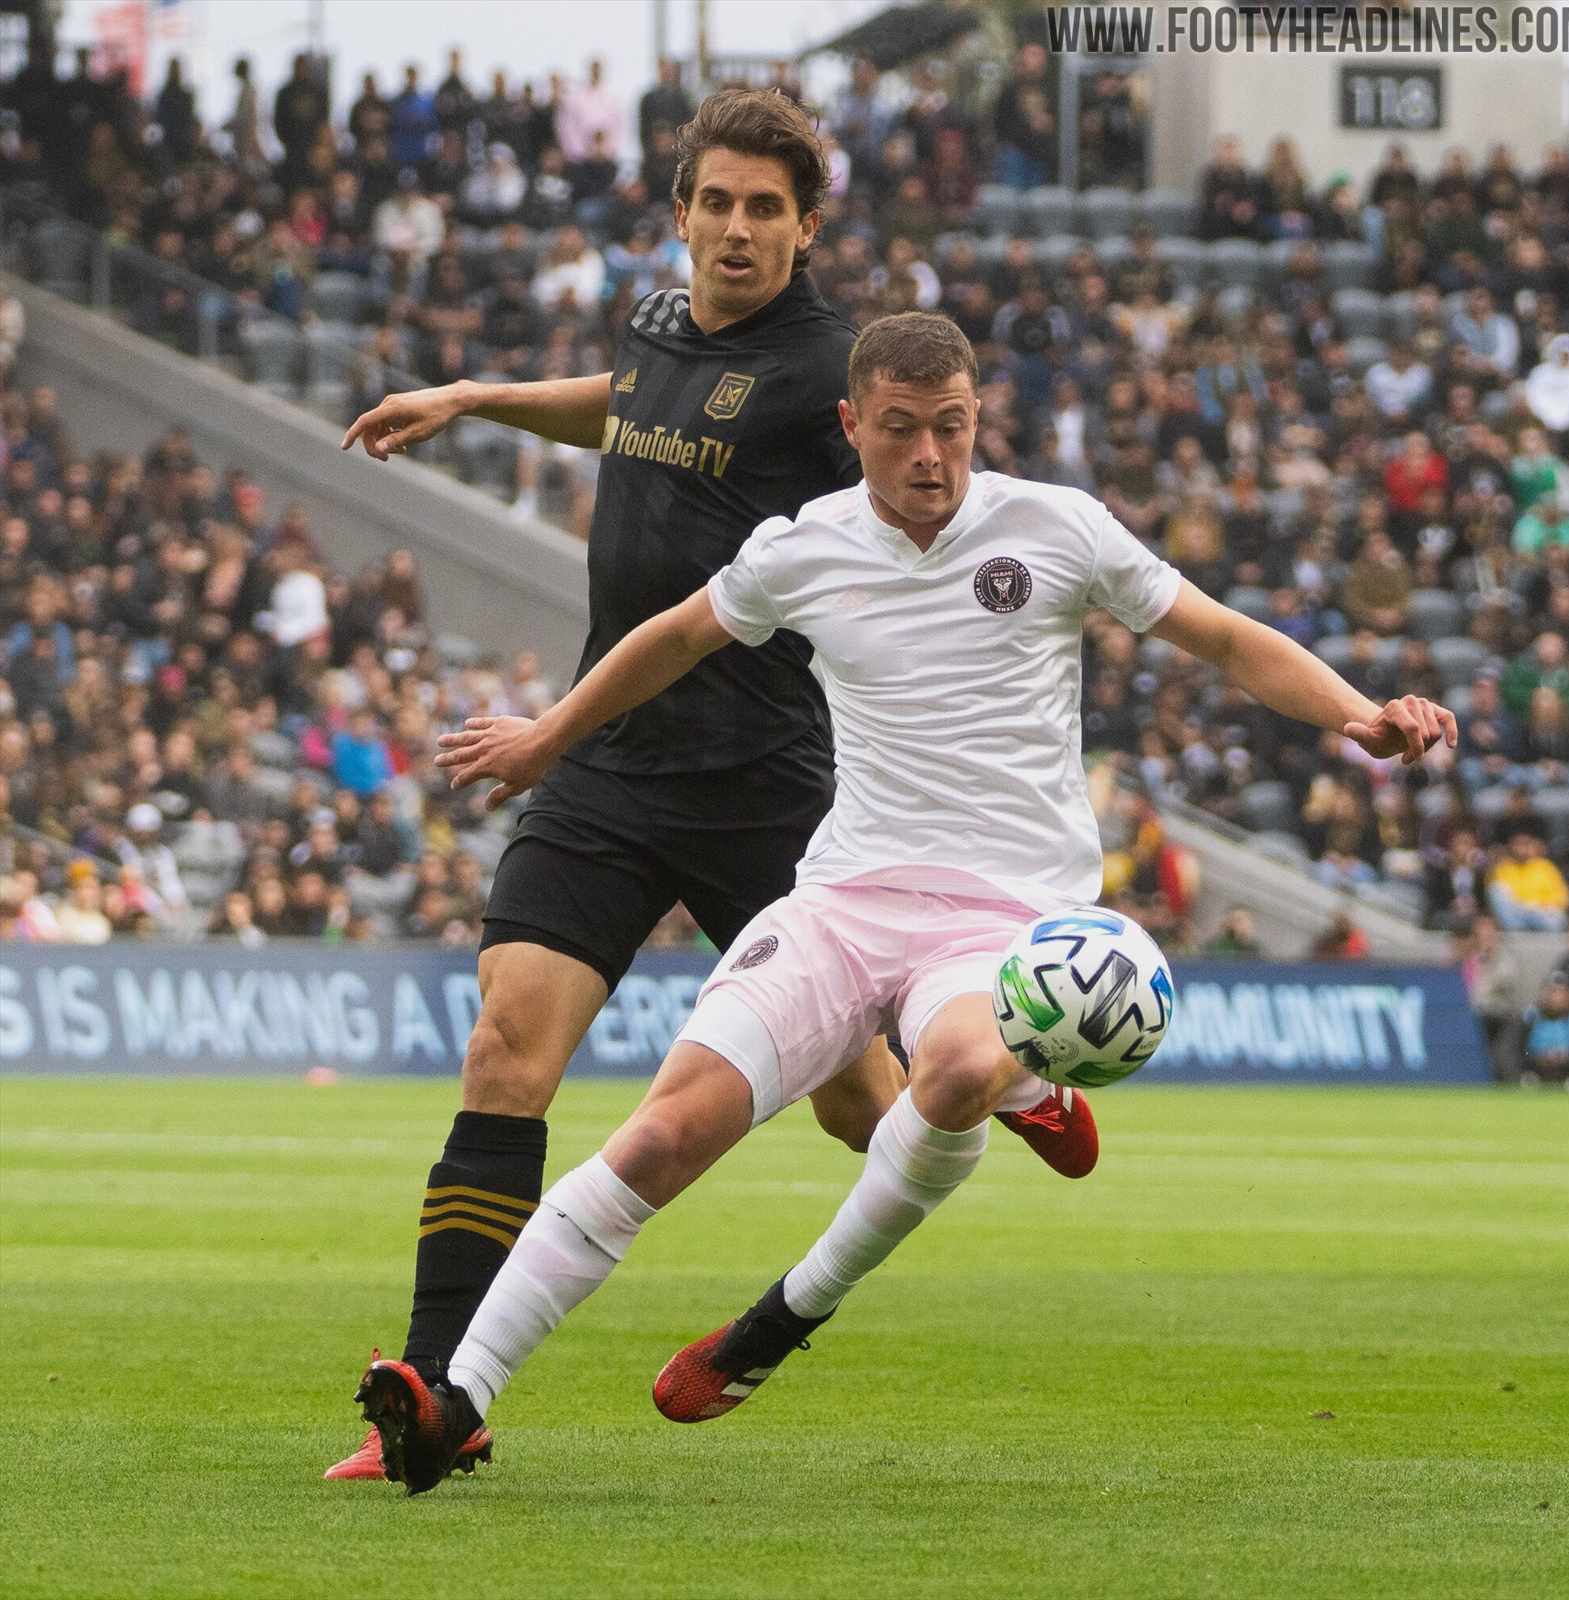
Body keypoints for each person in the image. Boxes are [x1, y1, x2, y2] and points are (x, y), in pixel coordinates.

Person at [355, 312, 1457, 1494]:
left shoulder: (1054, 526)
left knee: (953, 1076)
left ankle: (779, 1316)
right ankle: (454, 1396)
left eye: (951, 428)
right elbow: (668, 638)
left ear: (978, 419)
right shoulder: (803, 547)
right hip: (843, 895)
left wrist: (1354, 712)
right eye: (899, 432)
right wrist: (547, 736)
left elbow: (1225, 639)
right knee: (667, 1131)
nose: (929, 456)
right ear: (853, 426)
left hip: (1004, 920)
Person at [329, 93, 1089, 1484]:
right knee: (506, 1047)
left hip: (772, 781)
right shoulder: (658, 329)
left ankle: (1012, 1073)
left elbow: (937, 482)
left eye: (766, 211)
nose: (737, 230)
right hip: (615, 768)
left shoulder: (830, 371)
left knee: (869, 1108)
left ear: (809, 229)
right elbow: (631, 417)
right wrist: (476, 399)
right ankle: (439, 1398)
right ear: (680, 209)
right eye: (717, 203)